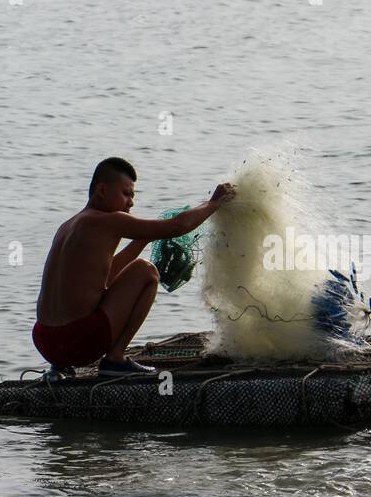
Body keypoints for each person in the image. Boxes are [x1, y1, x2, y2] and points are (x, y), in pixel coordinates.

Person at [33, 157, 235, 374]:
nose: (131, 202)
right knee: (147, 271)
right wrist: (213, 203)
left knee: (131, 272)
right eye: (126, 194)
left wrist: (144, 238)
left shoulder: (68, 226)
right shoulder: (109, 221)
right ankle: (115, 359)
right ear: (101, 191)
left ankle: (60, 366)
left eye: (133, 196)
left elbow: (104, 277)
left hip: (46, 342)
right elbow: (179, 225)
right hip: (79, 342)